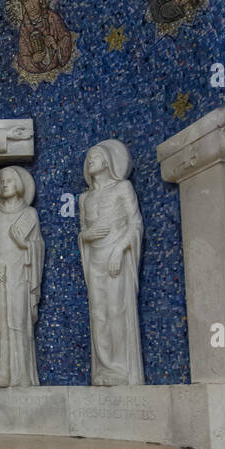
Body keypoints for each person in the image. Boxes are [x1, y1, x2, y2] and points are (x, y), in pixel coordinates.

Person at [78, 139, 144, 386]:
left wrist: (119, 250)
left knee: (117, 311)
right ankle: (105, 368)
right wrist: (86, 236)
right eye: (88, 158)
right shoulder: (85, 199)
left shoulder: (122, 188)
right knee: (99, 314)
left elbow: (135, 224)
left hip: (115, 258)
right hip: (95, 260)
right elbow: (84, 231)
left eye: (94, 156)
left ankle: (121, 368)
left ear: (107, 161)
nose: (90, 161)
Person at [0, 165, 44, 388]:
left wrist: (23, 244)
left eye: (8, 180)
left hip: (20, 276)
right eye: (1, 181)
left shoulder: (29, 214)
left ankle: (22, 374)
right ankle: (3, 374)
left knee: (18, 321)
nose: (4, 184)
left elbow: (37, 247)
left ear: (19, 185)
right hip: (0, 276)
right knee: (2, 325)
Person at [16, 0, 73, 77]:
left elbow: (66, 38)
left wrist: (56, 46)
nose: (31, 5)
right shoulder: (24, 28)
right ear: (23, 5)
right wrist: (33, 60)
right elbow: (22, 56)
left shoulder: (52, 17)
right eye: (26, 1)